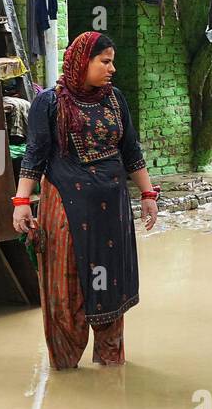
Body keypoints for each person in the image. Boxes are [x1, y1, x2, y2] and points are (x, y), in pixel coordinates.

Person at [11, 31, 158, 370]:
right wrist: (21, 203)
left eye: (112, 62)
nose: (112, 69)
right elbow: (34, 154)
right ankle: (65, 368)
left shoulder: (115, 100)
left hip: (112, 210)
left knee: (109, 283)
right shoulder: (49, 103)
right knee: (67, 286)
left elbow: (131, 150)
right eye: (104, 62)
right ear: (83, 61)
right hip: (65, 205)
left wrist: (148, 195)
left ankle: (111, 364)